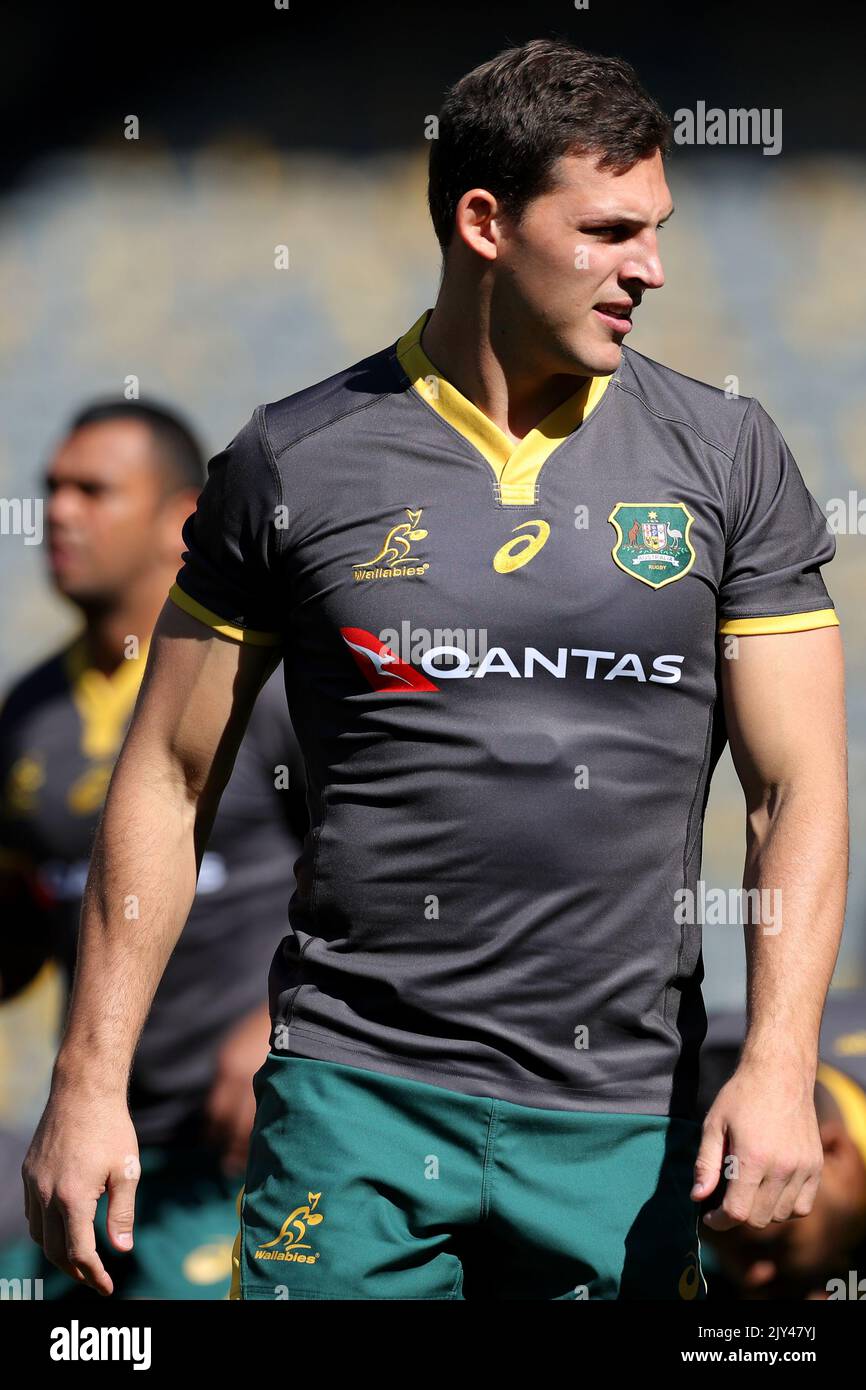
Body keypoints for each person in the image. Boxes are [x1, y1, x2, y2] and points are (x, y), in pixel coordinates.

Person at [22, 38, 847, 1302]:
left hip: (620, 1116)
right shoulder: (294, 461)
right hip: (351, 1107)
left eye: (659, 228)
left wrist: (779, 1061)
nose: (652, 268)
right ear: (483, 221)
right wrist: (85, 1085)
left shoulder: (726, 458)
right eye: (610, 229)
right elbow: (166, 780)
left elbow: (795, 788)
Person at [1, 399, 307, 1299]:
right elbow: (18, 946)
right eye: (51, 489)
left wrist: (275, 1027)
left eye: (93, 490)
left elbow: (381, 880)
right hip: (94, 1144)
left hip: (251, 1149)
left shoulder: (271, 686)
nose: (58, 511)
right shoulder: (26, 716)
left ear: (181, 517)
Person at [697, 990, 866, 1300]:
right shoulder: (683, 1061)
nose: (753, 1277)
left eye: (771, 1245)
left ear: (834, 1151)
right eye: (713, 1247)